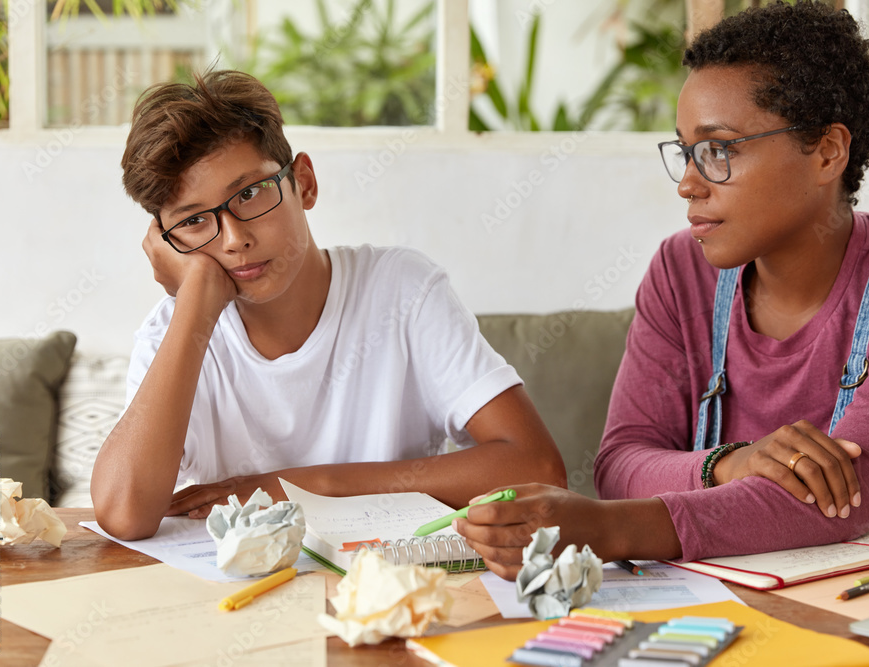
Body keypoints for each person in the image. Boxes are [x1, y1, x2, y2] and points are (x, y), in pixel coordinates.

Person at [454, 1, 869, 580]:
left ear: (827, 152)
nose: (688, 185)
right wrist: (730, 464)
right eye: (685, 151)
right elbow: (620, 463)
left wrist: (604, 528)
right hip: (730, 590)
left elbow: (843, 506)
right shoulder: (681, 272)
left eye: (720, 149)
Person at [91, 70, 566, 541]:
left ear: (304, 182)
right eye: (194, 221)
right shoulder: (170, 333)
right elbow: (124, 514)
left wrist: (305, 486)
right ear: (168, 246)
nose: (235, 240)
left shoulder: (403, 290)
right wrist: (194, 301)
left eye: (250, 193)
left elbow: (538, 469)